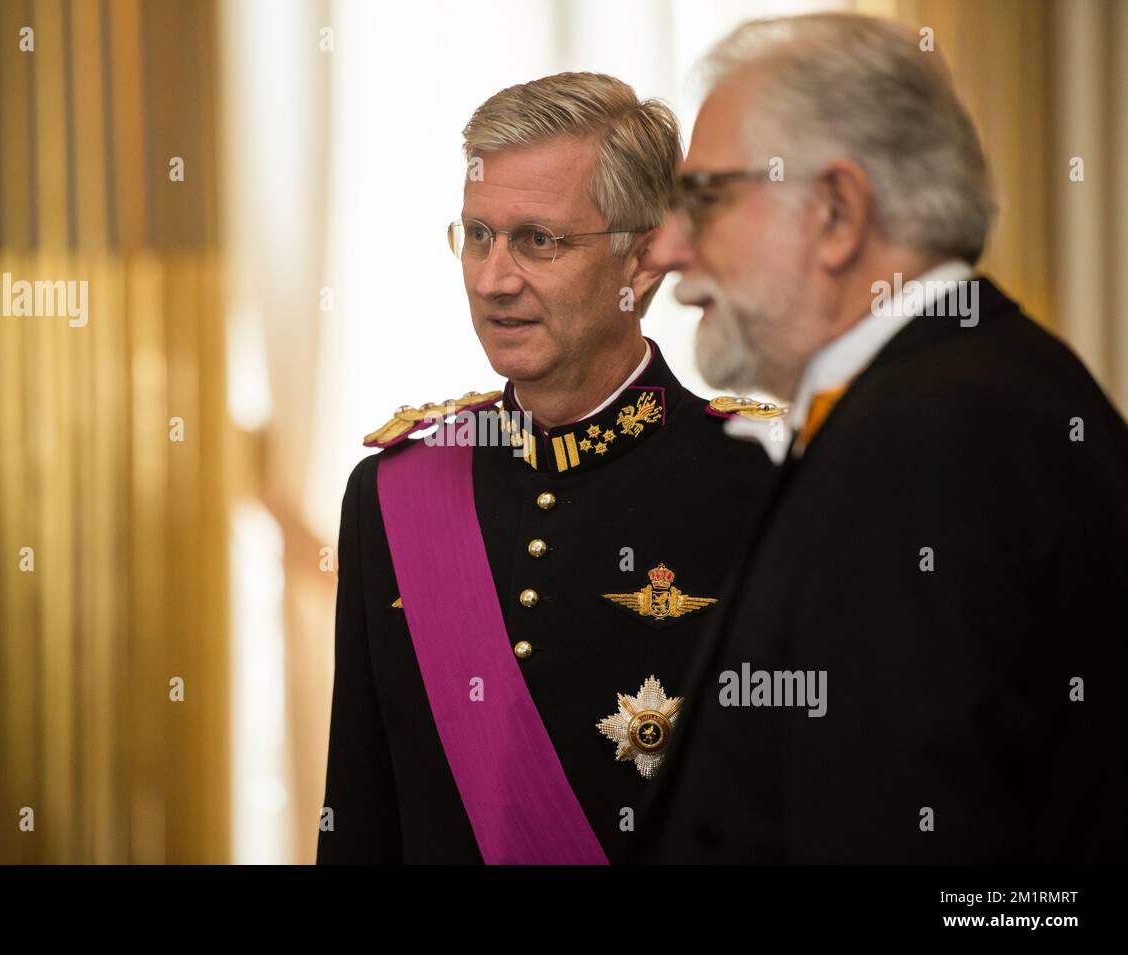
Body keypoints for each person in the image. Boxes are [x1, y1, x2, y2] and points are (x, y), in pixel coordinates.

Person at [637, 12, 1128, 863]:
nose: (670, 246)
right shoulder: (978, 392)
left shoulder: (927, 444)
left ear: (835, 211)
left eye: (705, 198)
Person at [316, 72, 776, 863]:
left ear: (642, 264)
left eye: (538, 240)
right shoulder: (393, 494)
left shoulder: (757, 489)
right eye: (478, 234)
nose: (493, 280)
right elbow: (358, 817)